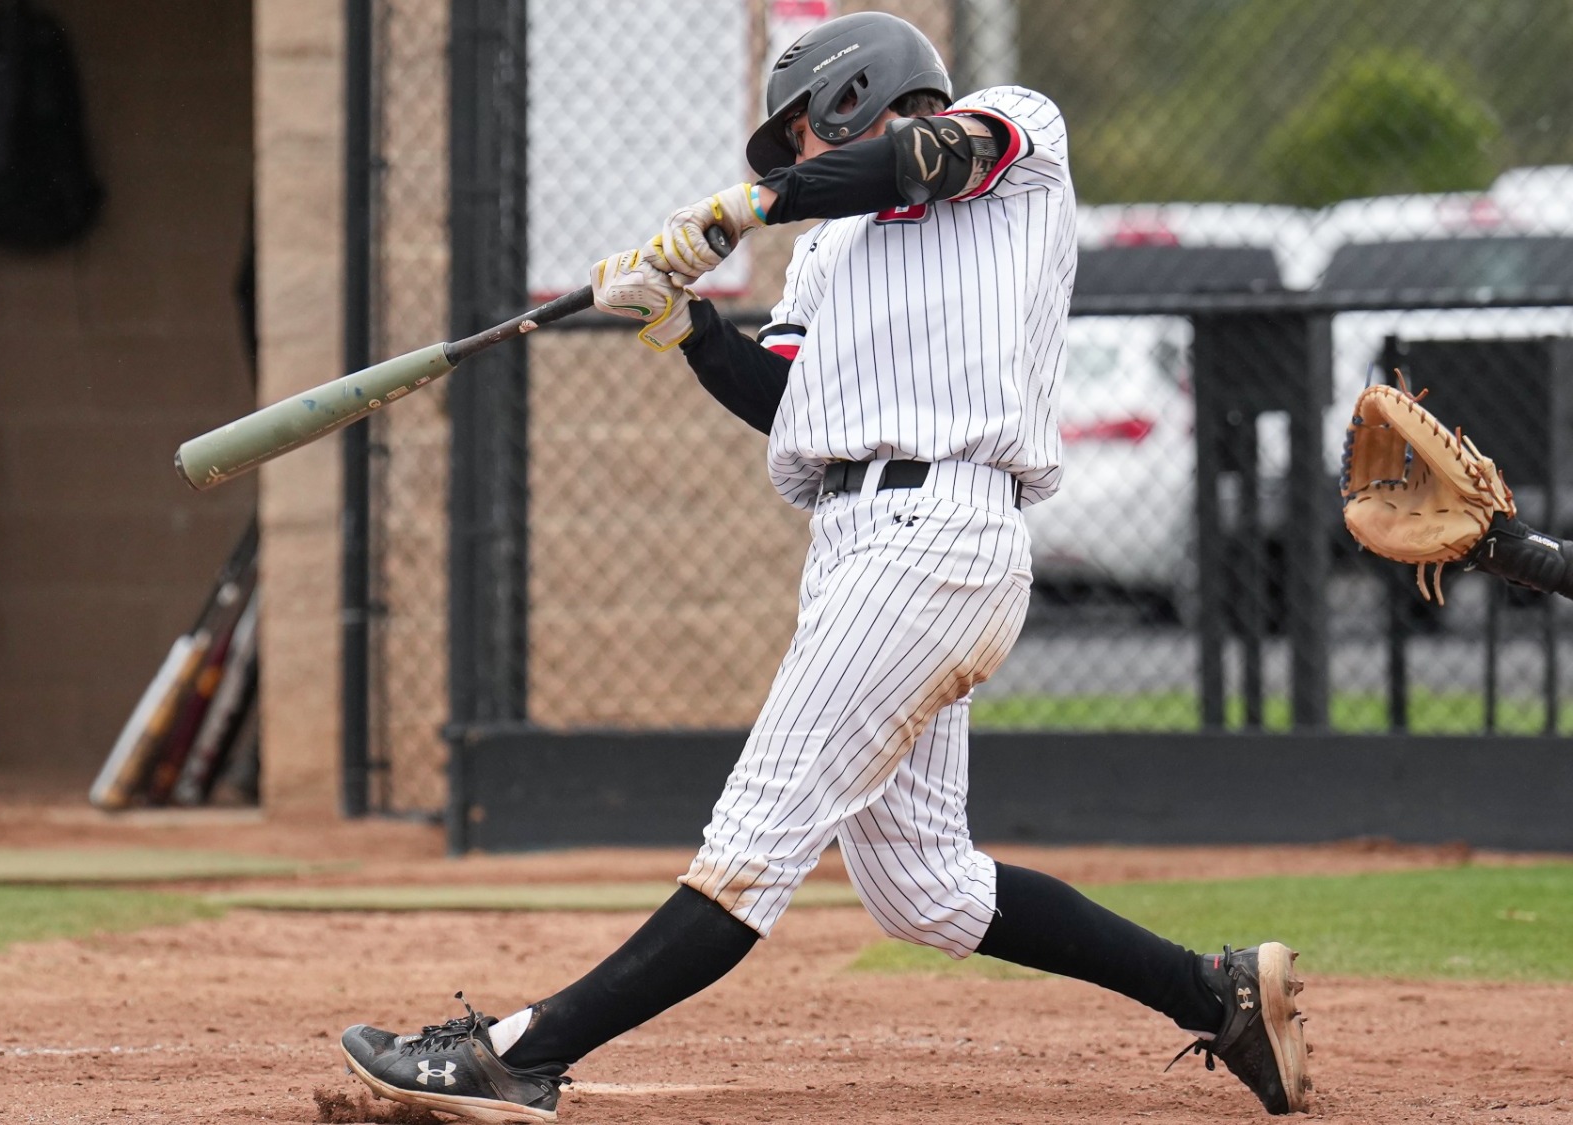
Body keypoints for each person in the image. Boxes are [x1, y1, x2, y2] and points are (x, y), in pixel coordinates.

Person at [338, 13, 1311, 1122]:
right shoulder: (826, 246)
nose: (793, 163)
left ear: (852, 98)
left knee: (753, 838)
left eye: (799, 138)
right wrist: (685, 320)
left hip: (934, 530)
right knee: (924, 889)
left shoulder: (1011, 140)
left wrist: (735, 211)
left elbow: (919, 161)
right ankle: (1218, 994)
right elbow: (785, 403)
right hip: (856, 542)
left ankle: (515, 1054)